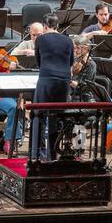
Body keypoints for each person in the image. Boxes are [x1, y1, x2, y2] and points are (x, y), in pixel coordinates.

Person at [32, 17, 74, 158]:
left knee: (39, 115)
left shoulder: (40, 39)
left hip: (46, 80)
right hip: (63, 81)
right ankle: (53, 154)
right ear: (57, 25)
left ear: (45, 26)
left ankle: (36, 154)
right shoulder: (68, 40)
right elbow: (71, 62)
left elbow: (38, 61)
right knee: (56, 117)